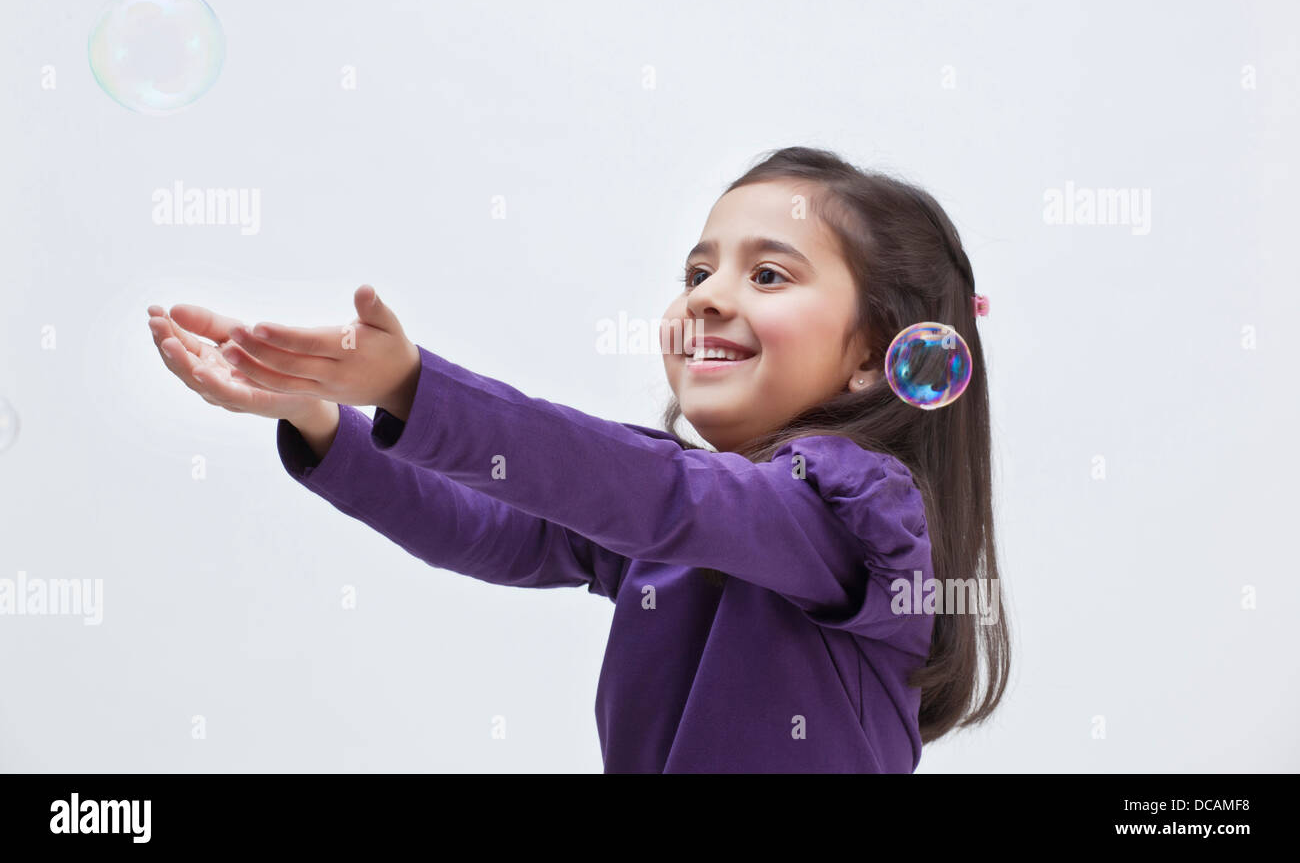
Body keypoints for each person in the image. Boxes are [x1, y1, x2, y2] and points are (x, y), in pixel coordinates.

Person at [146, 145, 1009, 772]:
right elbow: (490, 527)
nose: (707, 296)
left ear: (874, 356)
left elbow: (658, 493)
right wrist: (322, 419)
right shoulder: (687, 518)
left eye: (770, 276)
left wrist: (413, 385)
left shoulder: (850, 512)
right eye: (697, 270)